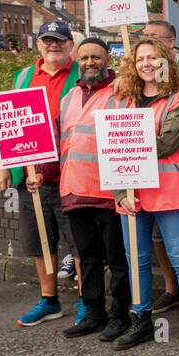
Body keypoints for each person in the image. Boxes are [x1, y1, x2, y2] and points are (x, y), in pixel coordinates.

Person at [110, 37, 179, 354]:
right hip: (130, 192)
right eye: (140, 59)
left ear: (165, 61)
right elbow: (112, 150)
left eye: (153, 57)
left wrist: (131, 140)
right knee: (135, 260)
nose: (146, 64)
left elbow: (167, 143)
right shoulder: (123, 103)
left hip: (169, 191)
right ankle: (140, 320)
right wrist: (120, 190)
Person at [0, 20, 81, 328]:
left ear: (70, 45)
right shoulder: (23, 77)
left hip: (75, 173)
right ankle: (49, 300)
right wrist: (3, 164)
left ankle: (87, 300)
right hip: (32, 177)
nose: (53, 45)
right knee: (41, 242)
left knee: (80, 242)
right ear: (38, 44)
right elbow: (10, 125)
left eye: (59, 40)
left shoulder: (82, 74)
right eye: (48, 40)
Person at [57, 37, 132, 340]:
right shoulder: (69, 98)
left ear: (107, 60)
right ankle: (93, 314)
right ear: (77, 59)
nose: (90, 62)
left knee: (117, 260)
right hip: (74, 190)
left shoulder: (120, 92)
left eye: (96, 57)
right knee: (86, 260)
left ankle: (120, 315)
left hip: (108, 192)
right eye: (85, 57)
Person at [139, 19, 179, 316]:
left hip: (178, 170)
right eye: (143, 39)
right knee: (154, 240)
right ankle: (171, 289)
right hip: (139, 176)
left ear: (169, 43)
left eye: (153, 39)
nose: (146, 44)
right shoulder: (132, 81)